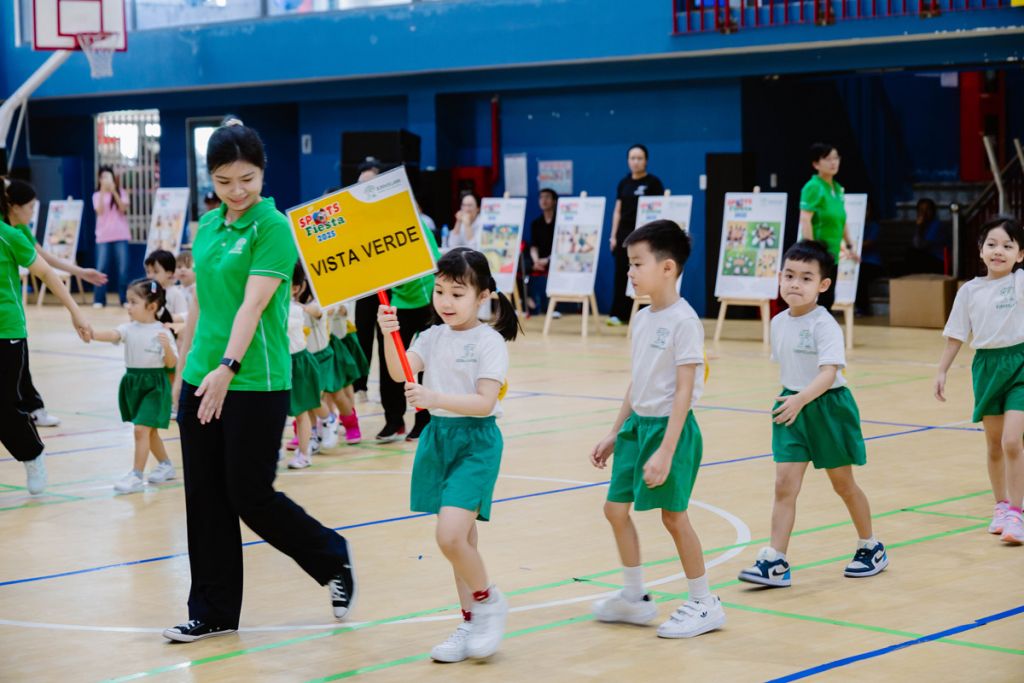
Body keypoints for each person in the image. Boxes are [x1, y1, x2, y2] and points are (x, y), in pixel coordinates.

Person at [164, 117, 354, 643]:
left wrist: (226, 368)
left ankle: (332, 557)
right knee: (204, 498)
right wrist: (185, 372)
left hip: (256, 380)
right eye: (224, 181)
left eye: (246, 178)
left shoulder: (272, 228)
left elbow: (253, 304)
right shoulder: (207, 228)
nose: (237, 191)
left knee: (249, 495)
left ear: (263, 173)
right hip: (204, 375)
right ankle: (213, 611)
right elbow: (201, 303)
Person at [377, 247, 520, 662]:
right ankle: (471, 620)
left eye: (458, 294)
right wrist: (390, 336)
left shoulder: (489, 341)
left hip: (475, 442)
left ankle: (488, 600)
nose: (445, 302)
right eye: (439, 291)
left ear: (483, 296)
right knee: (463, 541)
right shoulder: (429, 335)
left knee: (450, 535)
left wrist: (433, 396)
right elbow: (399, 370)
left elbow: (484, 402)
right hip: (438, 439)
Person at [589, 220, 725, 639]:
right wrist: (616, 431)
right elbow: (638, 381)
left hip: (671, 431)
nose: (629, 272)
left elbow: (684, 390)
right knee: (615, 509)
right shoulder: (643, 317)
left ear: (667, 267)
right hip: (636, 428)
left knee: (673, 516)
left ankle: (705, 602)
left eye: (636, 263)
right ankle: (634, 598)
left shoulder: (684, 321)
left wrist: (666, 449)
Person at [738, 240, 888, 588]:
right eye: (789, 275)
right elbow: (791, 368)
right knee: (783, 485)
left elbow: (829, 373)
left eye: (806, 278)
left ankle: (871, 545)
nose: (794, 284)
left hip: (827, 407)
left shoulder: (824, 324)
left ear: (823, 285)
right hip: (792, 407)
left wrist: (801, 398)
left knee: (843, 485)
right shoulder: (777, 322)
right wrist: (792, 397)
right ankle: (776, 559)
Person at [935, 217, 1024, 546]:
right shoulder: (969, 291)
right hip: (986, 367)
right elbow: (956, 335)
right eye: (992, 244)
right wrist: (942, 370)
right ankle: (1001, 505)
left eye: (1008, 245)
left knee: (1013, 442)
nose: (998, 251)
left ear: (1020, 255)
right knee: (994, 444)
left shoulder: (1020, 282)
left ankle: (1017, 512)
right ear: (980, 250)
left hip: (1020, 365)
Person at [1, 183, 92, 495]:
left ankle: (32, 453)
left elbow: (47, 273)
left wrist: (75, 311)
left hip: (6, 332)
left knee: (3, 406)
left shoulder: (10, 235)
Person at [3, 178, 106, 427]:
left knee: (20, 365)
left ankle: (34, 409)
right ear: (14, 207)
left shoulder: (16, 233)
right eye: (29, 207)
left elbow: (43, 259)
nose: (32, 212)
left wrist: (79, 271)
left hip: (9, 318)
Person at [92, 279, 178, 493]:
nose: (127, 306)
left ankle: (136, 476)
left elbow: (172, 364)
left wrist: (167, 348)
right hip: (134, 383)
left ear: (152, 306)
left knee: (141, 430)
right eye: (127, 301)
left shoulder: (163, 332)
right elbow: (113, 334)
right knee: (150, 432)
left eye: (132, 302)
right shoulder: (128, 329)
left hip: (155, 387)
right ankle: (166, 465)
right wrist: (92, 334)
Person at [375, 218, 441, 443]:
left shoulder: (416, 223)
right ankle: (393, 420)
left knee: (425, 364)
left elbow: (434, 261)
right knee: (389, 363)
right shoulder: (372, 231)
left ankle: (424, 419)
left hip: (426, 302)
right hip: (397, 303)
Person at [798, 143, 858, 312]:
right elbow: (805, 219)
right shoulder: (813, 187)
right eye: (828, 158)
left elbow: (841, 219)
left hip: (832, 256)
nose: (833, 162)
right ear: (816, 164)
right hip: (817, 256)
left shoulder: (838, 188)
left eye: (836, 158)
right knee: (813, 301)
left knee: (827, 300)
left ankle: (821, 336)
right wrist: (811, 252)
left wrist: (850, 246)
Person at [608, 144, 664, 326]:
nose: (635, 162)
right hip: (624, 236)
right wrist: (613, 236)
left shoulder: (653, 183)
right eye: (632, 158)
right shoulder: (623, 183)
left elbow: (660, 209)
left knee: (643, 274)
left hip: (645, 236)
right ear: (628, 161)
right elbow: (617, 210)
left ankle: (645, 313)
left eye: (639, 158)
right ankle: (620, 314)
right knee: (621, 274)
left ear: (646, 161)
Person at [351, 160, 385, 401]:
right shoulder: (353, 216)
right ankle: (360, 386)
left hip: (389, 286)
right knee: (363, 337)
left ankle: (389, 390)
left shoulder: (390, 213)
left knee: (387, 340)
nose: (365, 188)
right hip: (364, 285)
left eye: (370, 183)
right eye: (361, 184)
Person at [287, 263, 326, 470]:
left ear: (295, 288)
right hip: (282, 364)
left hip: (298, 364)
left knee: (301, 413)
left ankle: (304, 453)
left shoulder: (293, 311)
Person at [92, 165, 131, 308]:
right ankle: (99, 299)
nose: (106, 179)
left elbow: (123, 208)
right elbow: (99, 210)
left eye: (108, 176)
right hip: (103, 236)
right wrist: (103, 191)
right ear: (99, 179)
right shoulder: (96, 195)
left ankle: (124, 299)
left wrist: (114, 191)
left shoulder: (121, 192)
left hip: (121, 235)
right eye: (103, 177)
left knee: (123, 269)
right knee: (101, 268)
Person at [528, 188, 557, 316]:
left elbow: (560, 247)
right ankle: (527, 303)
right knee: (524, 265)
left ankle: (551, 306)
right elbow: (533, 246)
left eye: (547, 197)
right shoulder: (536, 223)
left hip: (555, 258)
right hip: (539, 260)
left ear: (554, 201)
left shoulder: (560, 222)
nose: (544, 200)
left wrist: (547, 260)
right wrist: (536, 261)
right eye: (541, 197)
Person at [144, 249, 190, 322]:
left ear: (169, 273)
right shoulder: (149, 291)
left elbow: (183, 319)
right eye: (148, 272)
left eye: (156, 272)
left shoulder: (176, 294)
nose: (150, 276)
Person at [907, 198, 950, 275]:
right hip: (927, 260)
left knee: (912, 254)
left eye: (927, 209)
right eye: (921, 210)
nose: (924, 213)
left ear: (933, 211)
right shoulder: (923, 225)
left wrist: (918, 227)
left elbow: (920, 246)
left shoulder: (937, 225)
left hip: (939, 261)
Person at [855, 201, 883, 317]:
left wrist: (850, 245)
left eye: (867, 210)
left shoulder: (874, 226)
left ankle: (863, 308)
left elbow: (869, 243)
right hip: (855, 262)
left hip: (872, 264)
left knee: (860, 275)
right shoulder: (851, 225)